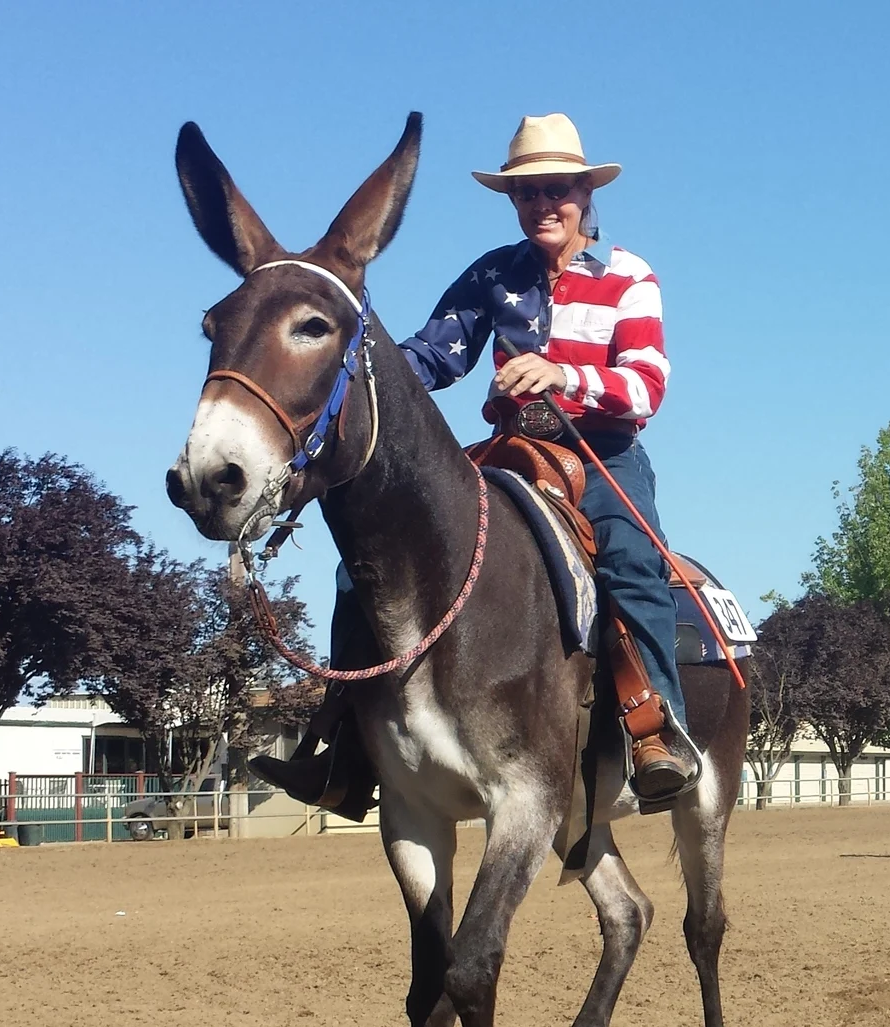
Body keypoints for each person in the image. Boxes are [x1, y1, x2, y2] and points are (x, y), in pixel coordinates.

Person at [254, 112, 696, 812]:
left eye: (557, 190)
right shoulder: (493, 273)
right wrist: (355, 376)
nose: (542, 205)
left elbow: (647, 385)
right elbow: (434, 355)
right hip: (511, 450)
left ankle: (657, 730)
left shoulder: (630, 277)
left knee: (634, 560)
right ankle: (340, 745)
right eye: (526, 193)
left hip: (602, 453)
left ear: (586, 193)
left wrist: (562, 377)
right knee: (367, 561)